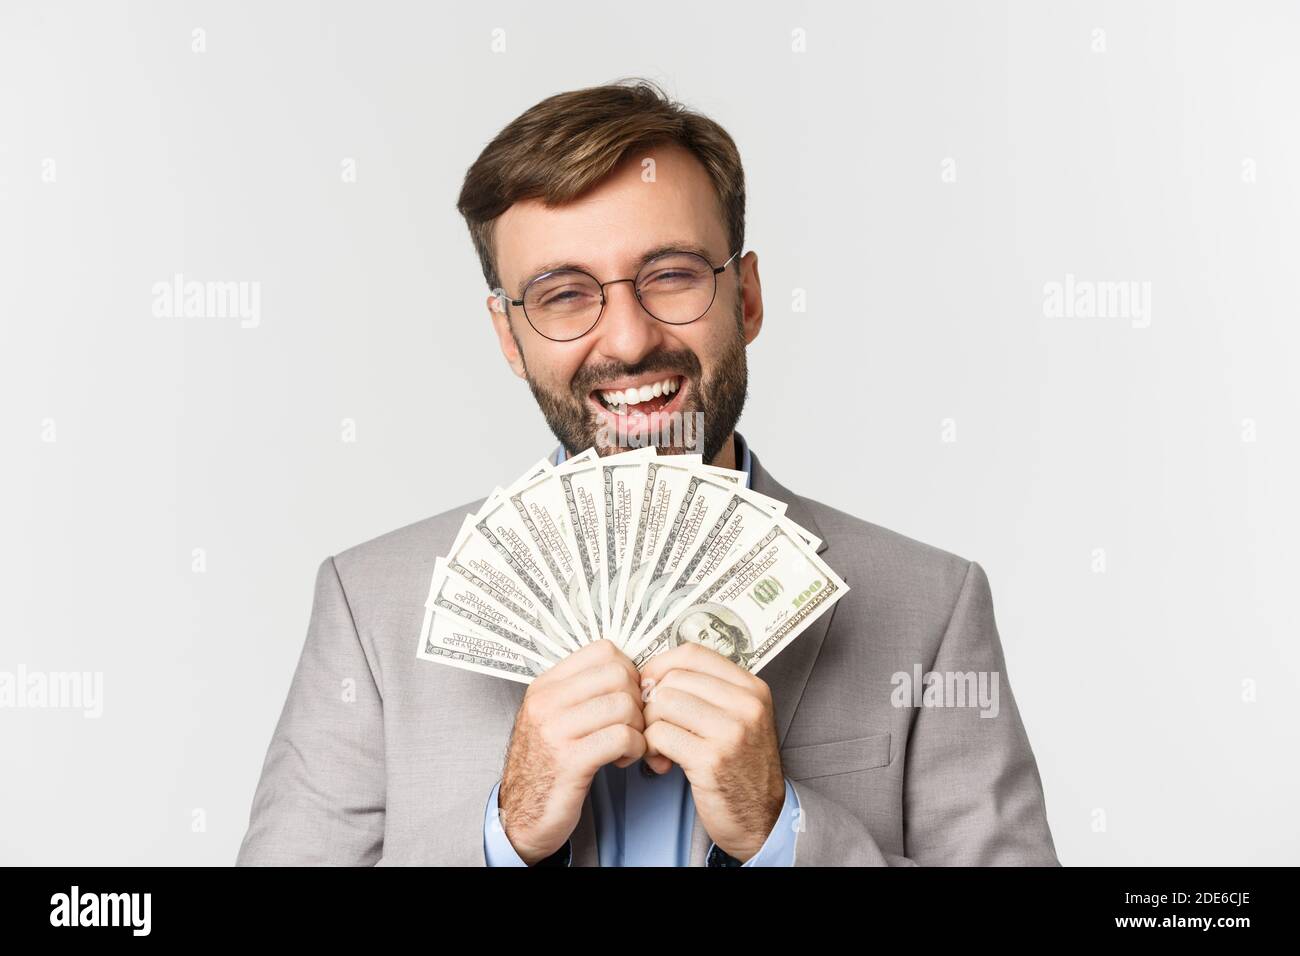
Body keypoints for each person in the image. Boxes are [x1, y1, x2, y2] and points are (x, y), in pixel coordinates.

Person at [236, 78, 1059, 867]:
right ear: (508, 338)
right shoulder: (369, 607)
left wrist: (784, 835)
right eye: (563, 294)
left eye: (670, 275)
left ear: (746, 296)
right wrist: (505, 831)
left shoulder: (932, 609)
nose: (628, 341)